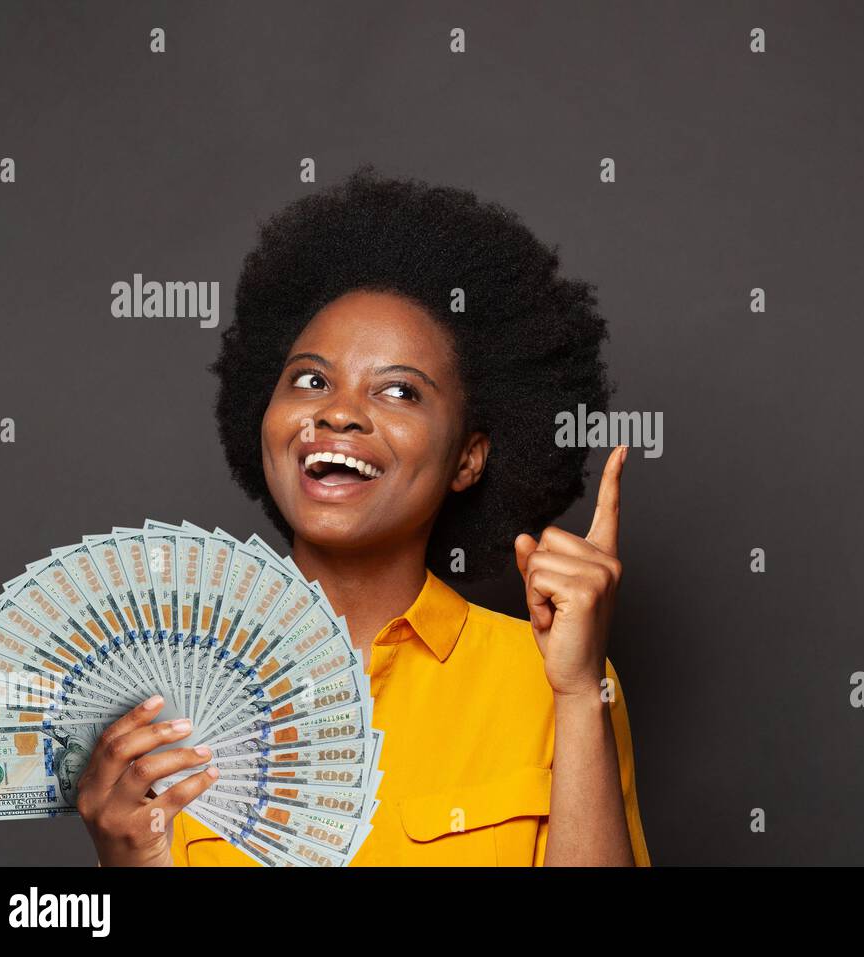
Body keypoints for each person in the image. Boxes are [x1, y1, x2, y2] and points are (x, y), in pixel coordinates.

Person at [75, 169, 649, 866]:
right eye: (311, 379)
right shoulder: (164, 707)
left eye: (400, 390)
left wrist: (580, 690)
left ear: (469, 457)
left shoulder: (553, 680)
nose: (339, 411)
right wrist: (128, 860)